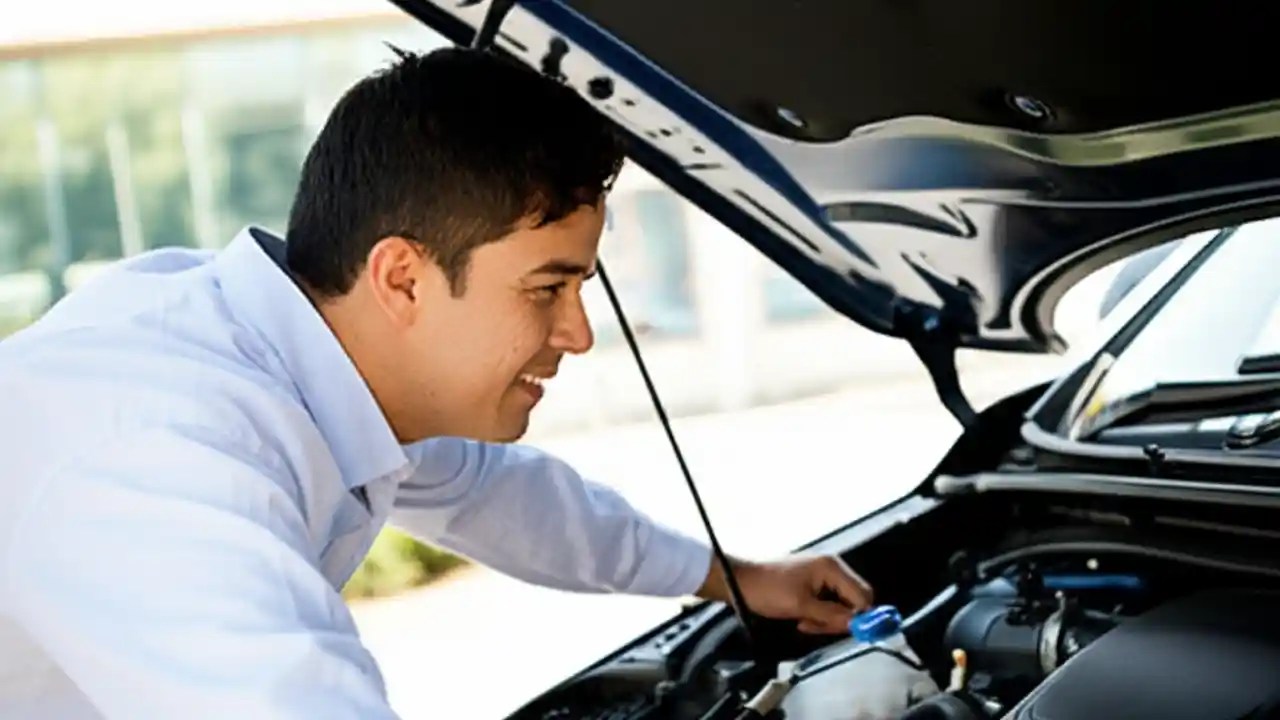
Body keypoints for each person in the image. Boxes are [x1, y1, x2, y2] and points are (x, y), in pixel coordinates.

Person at [0, 46, 873, 719]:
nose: (578, 332)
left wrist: (731, 575)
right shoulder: (158, 452)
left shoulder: (294, 348)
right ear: (403, 279)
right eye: (548, 288)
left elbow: (496, 494)